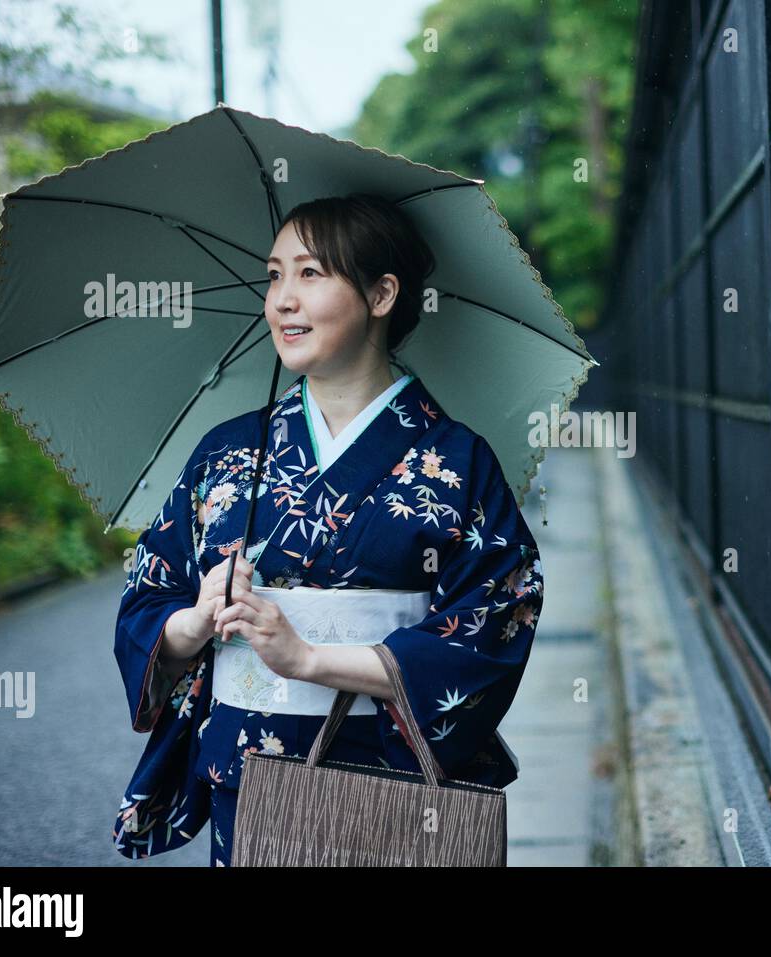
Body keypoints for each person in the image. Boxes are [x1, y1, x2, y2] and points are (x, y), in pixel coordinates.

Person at [112, 193, 544, 866]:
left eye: (309, 274)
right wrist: (193, 622)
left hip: (392, 778)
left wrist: (310, 660)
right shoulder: (225, 454)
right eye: (273, 275)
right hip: (249, 775)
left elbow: (497, 618)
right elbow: (146, 599)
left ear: (381, 293)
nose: (283, 299)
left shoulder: (457, 460)